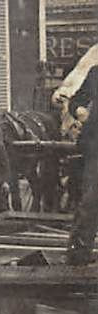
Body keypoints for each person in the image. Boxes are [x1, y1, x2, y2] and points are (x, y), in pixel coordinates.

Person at [58, 54, 98, 266]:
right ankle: (78, 258)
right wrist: (80, 110)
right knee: (90, 202)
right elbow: (76, 101)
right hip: (97, 149)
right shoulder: (96, 73)